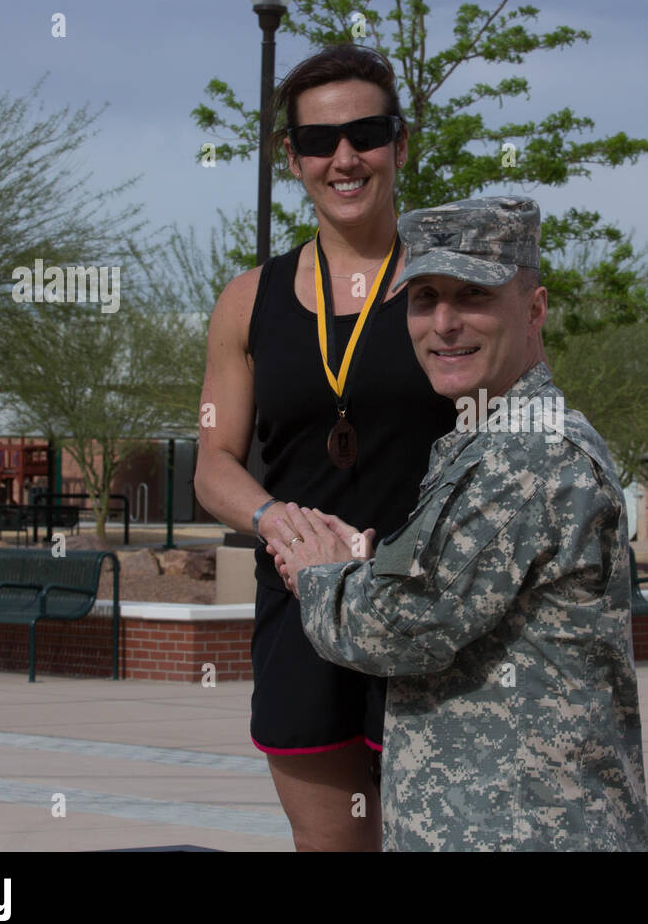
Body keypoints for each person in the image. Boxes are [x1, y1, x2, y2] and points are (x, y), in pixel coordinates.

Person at [270, 196, 648, 851]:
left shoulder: (528, 452)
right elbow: (448, 583)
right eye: (424, 298)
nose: (443, 324)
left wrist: (319, 575)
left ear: (534, 310)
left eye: (472, 296)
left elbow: (405, 626)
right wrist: (364, 563)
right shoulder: (484, 441)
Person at [193, 44, 455, 852]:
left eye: (366, 133)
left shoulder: (449, 286)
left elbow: (515, 437)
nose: (344, 158)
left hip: (430, 610)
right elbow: (213, 464)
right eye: (318, 141)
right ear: (292, 158)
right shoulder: (248, 299)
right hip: (303, 612)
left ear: (401, 144)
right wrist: (277, 522)